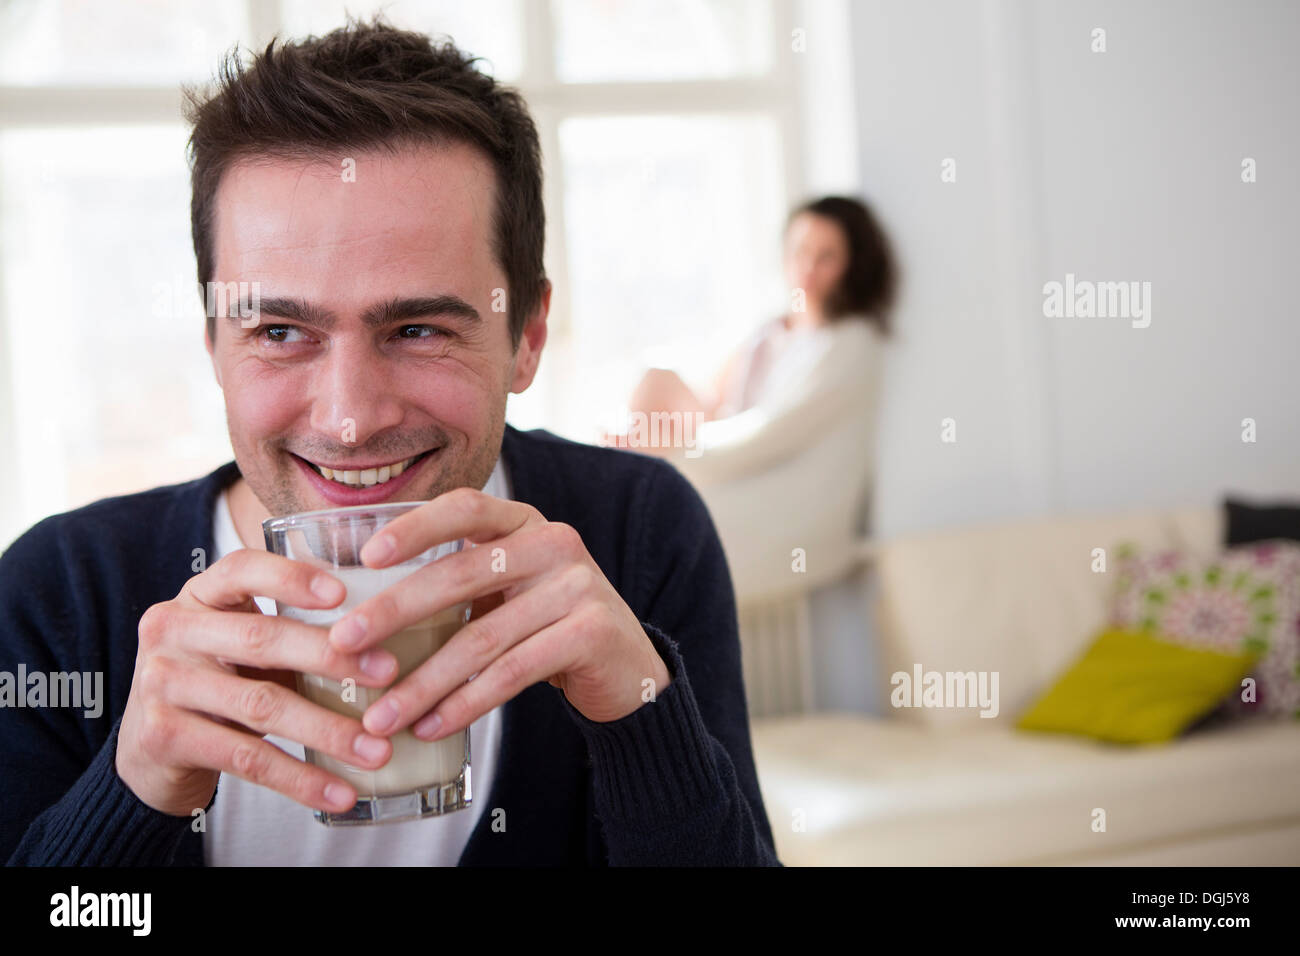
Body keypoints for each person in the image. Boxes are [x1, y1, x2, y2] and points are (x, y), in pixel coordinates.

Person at [0, 19, 779, 867]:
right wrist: (131, 790)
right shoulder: (60, 596)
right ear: (215, 344)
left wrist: (640, 721)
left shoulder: (636, 532)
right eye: (280, 332)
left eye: (415, 328)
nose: (349, 420)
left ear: (527, 335)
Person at [609, 197, 896, 601]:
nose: (808, 268)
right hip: (722, 434)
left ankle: (630, 470)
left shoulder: (848, 344)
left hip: (781, 498)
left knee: (644, 509)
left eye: (826, 256)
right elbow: (716, 400)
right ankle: (626, 467)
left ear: (854, 264)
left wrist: (671, 451)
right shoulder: (772, 334)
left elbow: (771, 435)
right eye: (800, 252)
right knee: (656, 378)